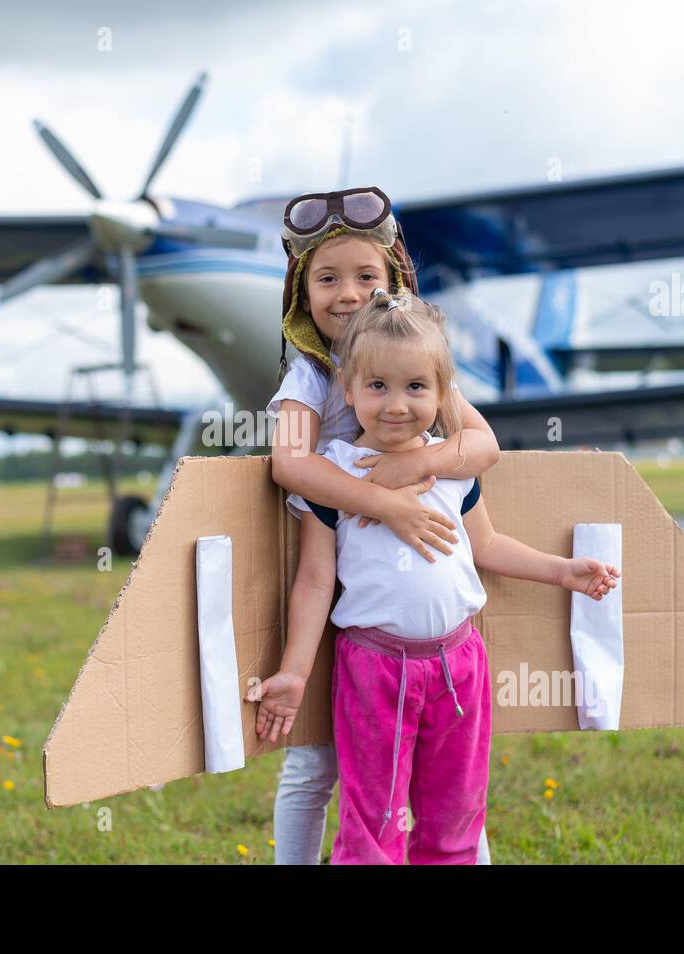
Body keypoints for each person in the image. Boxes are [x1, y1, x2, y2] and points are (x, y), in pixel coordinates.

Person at [250, 291, 620, 864]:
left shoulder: (454, 468)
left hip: (459, 666)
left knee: (455, 819)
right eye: (378, 387)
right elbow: (315, 582)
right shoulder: (333, 479)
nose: (397, 405)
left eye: (416, 387)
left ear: (444, 394)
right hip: (374, 672)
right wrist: (295, 673)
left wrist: (563, 571)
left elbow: (487, 546)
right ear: (346, 390)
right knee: (373, 828)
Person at [264, 186, 501, 864]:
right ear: (299, 292)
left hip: (423, 617)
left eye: (366, 276)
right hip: (336, 591)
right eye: (327, 278)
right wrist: (386, 501)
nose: (347, 293)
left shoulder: (412, 363)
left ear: (392, 279)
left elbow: (483, 445)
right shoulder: (307, 380)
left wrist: (417, 466)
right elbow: (289, 464)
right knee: (317, 766)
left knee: (451, 781)